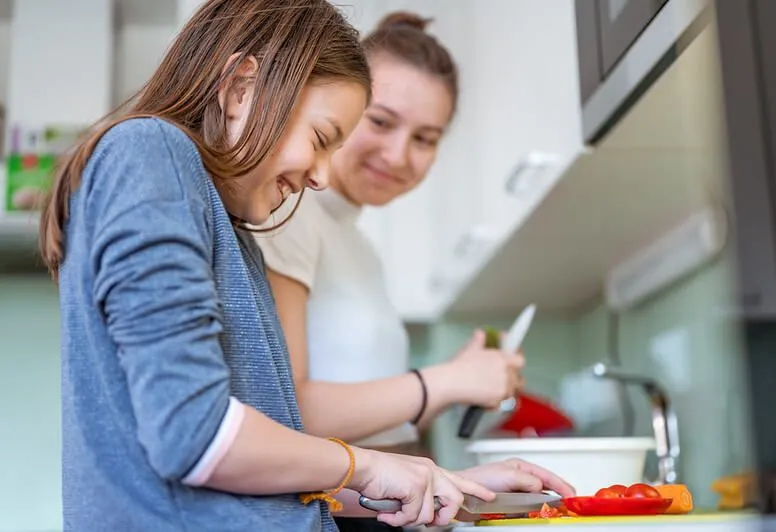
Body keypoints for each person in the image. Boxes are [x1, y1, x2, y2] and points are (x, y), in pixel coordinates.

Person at [38, 1, 573, 531]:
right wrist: (369, 463)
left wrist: (441, 483)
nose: (320, 175)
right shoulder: (148, 152)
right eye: (320, 139)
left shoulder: (234, 230)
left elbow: (270, 470)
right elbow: (193, 435)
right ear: (241, 87)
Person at [256, 12, 544, 531]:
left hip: (371, 514)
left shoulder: (360, 246)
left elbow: (369, 424)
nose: (398, 155)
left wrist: (451, 387)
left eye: (425, 138)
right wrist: (446, 380)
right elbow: (288, 412)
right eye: (382, 122)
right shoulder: (291, 213)